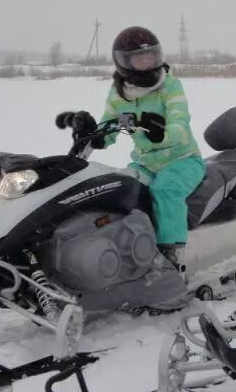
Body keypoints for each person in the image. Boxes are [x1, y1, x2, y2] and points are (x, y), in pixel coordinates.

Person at [55, 26, 205, 274]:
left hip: (183, 160)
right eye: (140, 58)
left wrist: (161, 132)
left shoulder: (170, 86)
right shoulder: (119, 94)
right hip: (145, 163)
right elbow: (115, 124)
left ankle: (172, 256)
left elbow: (180, 124)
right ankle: (125, 251)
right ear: (124, 62)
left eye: (151, 57)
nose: (147, 63)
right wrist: (93, 135)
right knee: (120, 190)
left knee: (165, 191)